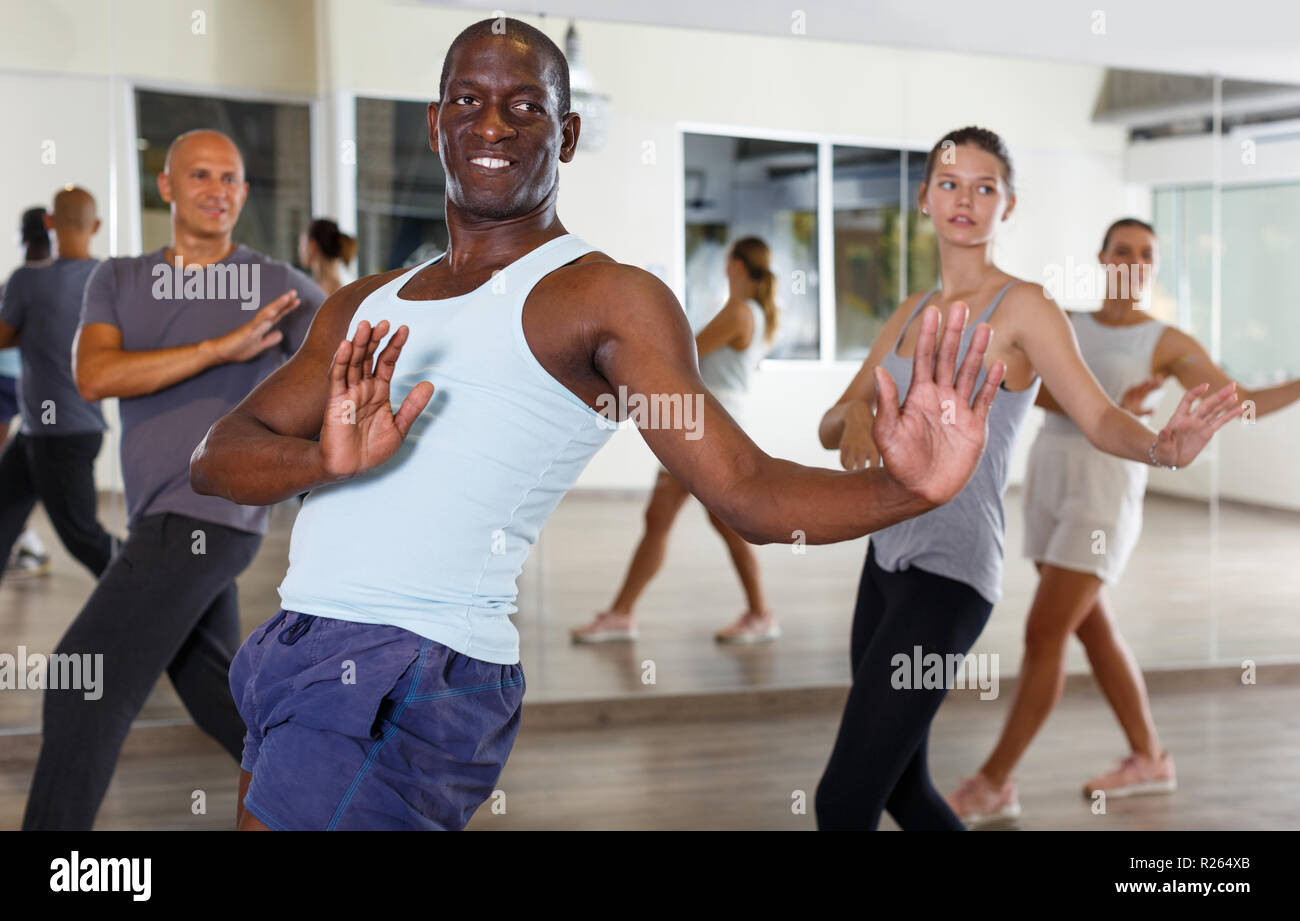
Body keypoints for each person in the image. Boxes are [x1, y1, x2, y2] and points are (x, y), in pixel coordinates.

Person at [190, 18, 1007, 831]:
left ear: (568, 133)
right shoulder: (362, 303)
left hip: (409, 663)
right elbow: (216, 456)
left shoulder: (608, 300)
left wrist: (906, 489)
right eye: (468, 99)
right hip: (295, 640)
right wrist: (325, 462)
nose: (493, 124)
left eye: (526, 106)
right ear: (435, 124)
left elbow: (746, 490)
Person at [814, 126, 1244, 831]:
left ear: (1007, 206)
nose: (967, 199)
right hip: (884, 558)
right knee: (902, 789)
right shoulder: (910, 312)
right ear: (924, 199)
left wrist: (1167, 448)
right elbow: (833, 421)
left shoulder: (1025, 309)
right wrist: (855, 420)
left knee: (842, 801)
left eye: (987, 187)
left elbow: (1100, 420)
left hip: (949, 573)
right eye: (951, 184)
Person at [946, 217, 1300, 827]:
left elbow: (1234, 399)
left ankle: (994, 782)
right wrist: (1106, 406)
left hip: (1104, 495)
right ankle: (1149, 757)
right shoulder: (1067, 324)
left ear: (1154, 267)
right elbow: (1034, 390)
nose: (1133, 261)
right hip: (1052, 481)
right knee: (1092, 631)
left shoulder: (1164, 341)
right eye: (1122, 250)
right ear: (1103, 257)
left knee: (1044, 635)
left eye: (1146, 254)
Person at [21, 130, 326, 830]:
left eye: (230, 178)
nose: (217, 189)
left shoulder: (277, 285)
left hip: (212, 515)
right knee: (215, 690)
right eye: (200, 175)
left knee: (81, 681)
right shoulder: (120, 278)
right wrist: (222, 349)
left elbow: (357, 340)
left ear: (243, 194)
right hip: (155, 515)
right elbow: (96, 375)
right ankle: (327, 799)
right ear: (166, 186)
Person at [571, 235, 780, 644]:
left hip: (707, 429)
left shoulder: (739, 313)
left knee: (696, 522)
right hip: (707, 425)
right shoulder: (754, 312)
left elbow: (686, 352)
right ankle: (623, 613)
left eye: (727, 261)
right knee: (665, 518)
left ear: (736, 265)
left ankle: (759, 614)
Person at [0, 187, 118, 584]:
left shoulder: (27, 282)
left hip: (58, 437)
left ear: (48, 222)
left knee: (84, 537)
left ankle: (153, 594)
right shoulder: (110, 280)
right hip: (53, 432)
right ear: (96, 225)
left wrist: (27, 329)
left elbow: (4, 336)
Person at [2, 208, 55, 576]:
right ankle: (23, 540)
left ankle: (23, 540)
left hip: (16, 383)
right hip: (26, 385)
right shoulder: (53, 279)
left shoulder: (19, 282)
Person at [298, 218, 356, 297]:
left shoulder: (318, 295)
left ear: (312, 246)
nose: (299, 249)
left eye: (301, 244)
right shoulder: (342, 293)